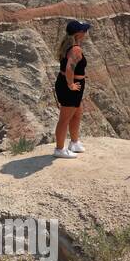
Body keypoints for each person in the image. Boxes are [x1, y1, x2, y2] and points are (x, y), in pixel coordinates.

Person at [52, 20, 90, 158]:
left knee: (77, 114)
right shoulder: (75, 49)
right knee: (64, 118)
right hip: (70, 87)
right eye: (84, 30)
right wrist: (71, 84)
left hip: (70, 85)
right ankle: (59, 149)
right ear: (78, 33)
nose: (86, 33)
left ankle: (74, 143)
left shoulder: (68, 45)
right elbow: (69, 68)